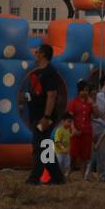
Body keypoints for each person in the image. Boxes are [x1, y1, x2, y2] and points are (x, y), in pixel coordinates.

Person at [25, 43, 65, 185]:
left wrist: (47, 117)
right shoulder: (38, 73)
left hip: (44, 117)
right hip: (36, 115)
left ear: (42, 54)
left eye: (37, 52)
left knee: (39, 146)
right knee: (45, 145)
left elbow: (52, 94)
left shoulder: (50, 72)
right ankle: (57, 177)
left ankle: (34, 178)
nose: (35, 54)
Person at [87, 74, 105, 181]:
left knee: (100, 152)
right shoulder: (101, 95)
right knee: (97, 152)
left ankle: (98, 174)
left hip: (103, 126)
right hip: (97, 126)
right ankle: (96, 174)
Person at [67, 81, 94, 179]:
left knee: (85, 155)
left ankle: (83, 175)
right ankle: (69, 171)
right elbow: (70, 117)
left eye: (87, 90)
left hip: (87, 131)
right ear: (79, 91)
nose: (85, 92)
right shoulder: (73, 102)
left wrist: (93, 104)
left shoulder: (90, 103)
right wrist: (73, 128)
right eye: (83, 90)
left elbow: (97, 115)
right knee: (73, 153)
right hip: (75, 131)